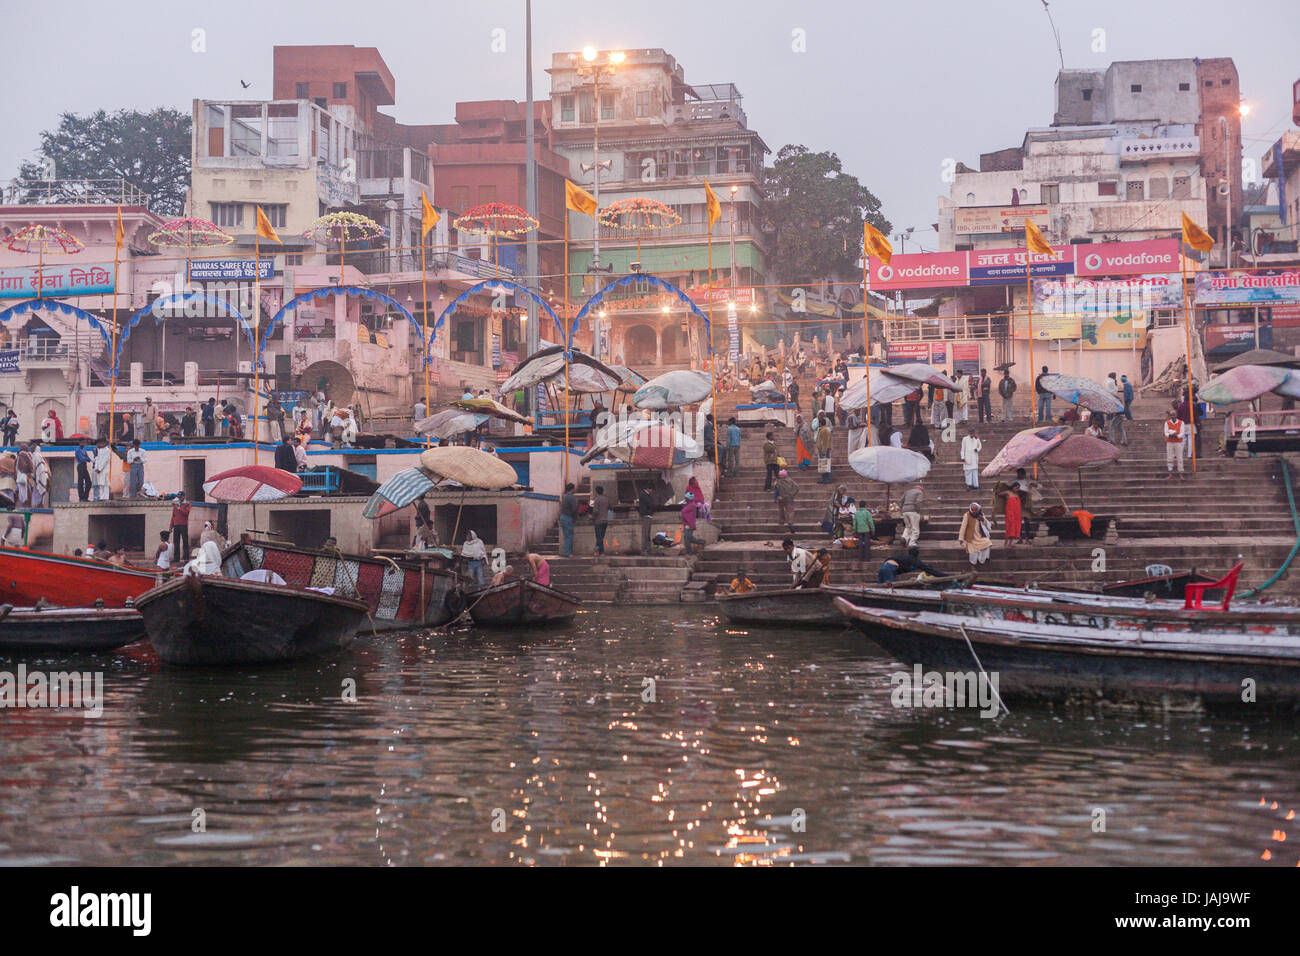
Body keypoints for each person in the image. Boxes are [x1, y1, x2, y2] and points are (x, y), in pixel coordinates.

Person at [958, 502, 993, 566]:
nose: (974, 512)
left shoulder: (981, 514)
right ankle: (973, 565)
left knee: (988, 543)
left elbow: (987, 525)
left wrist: (982, 519)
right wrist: (961, 538)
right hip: (971, 538)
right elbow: (963, 527)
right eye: (972, 510)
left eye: (975, 510)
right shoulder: (967, 515)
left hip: (980, 536)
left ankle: (982, 560)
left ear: (978, 509)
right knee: (973, 552)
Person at [994, 481, 1023, 547]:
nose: (1017, 489)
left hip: (1017, 513)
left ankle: (1010, 543)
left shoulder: (1017, 494)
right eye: (1016, 487)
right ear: (1013, 487)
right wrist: (997, 488)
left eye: (1018, 488)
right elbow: (998, 494)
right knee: (1009, 527)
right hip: (1010, 512)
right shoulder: (1008, 492)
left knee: (1015, 527)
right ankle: (1006, 543)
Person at [1164, 406, 1186, 480]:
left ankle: (1181, 473)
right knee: (1169, 458)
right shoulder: (1167, 423)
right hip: (1170, 442)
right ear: (1170, 416)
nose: (1173, 416)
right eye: (1171, 415)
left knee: (1180, 458)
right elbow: (1166, 432)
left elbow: (1182, 433)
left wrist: (1177, 436)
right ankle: (1170, 473)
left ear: (1176, 415)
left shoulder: (1181, 422)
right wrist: (1170, 435)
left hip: (1178, 442)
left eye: (1174, 415)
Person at [590, 484, 612, 556]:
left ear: (596, 492)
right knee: (601, 537)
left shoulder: (597, 500)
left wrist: (592, 517)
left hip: (598, 521)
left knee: (599, 537)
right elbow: (610, 508)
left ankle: (601, 552)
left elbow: (595, 511)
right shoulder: (606, 499)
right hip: (605, 521)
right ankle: (597, 551)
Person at [170, 492, 192, 563]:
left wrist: (179, 508)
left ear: (184, 496)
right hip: (176, 525)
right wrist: (171, 527)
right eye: (178, 497)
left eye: (180, 497)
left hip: (183, 525)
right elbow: (173, 516)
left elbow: (187, 513)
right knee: (176, 542)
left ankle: (186, 557)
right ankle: (176, 558)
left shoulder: (187, 504)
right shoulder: (176, 505)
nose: (179, 498)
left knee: (185, 541)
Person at [900, 483, 924, 548]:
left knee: (908, 526)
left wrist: (902, 509)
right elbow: (918, 502)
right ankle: (912, 543)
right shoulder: (920, 492)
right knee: (915, 528)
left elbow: (901, 501)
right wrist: (918, 510)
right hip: (913, 511)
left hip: (904, 510)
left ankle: (904, 537)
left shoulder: (907, 492)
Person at [559, 482, 579, 557]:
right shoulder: (571, 498)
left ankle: (567, 552)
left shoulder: (564, 497)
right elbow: (574, 509)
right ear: (572, 489)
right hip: (568, 518)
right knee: (569, 536)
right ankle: (568, 553)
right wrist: (575, 517)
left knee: (566, 536)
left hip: (563, 517)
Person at [852, 499, 875, 565]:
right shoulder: (867, 512)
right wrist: (873, 529)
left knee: (860, 545)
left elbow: (854, 523)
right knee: (867, 544)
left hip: (859, 530)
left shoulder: (856, 513)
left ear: (859, 506)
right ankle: (867, 558)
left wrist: (854, 530)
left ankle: (860, 558)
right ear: (865, 505)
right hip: (866, 530)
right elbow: (870, 522)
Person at [637, 486, 657, 554]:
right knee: (645, 534)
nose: (651, 491)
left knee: (647, 534)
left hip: (648, 515)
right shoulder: (644, 495)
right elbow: (650, 504)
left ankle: (648, 549)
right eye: (651, 489)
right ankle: (644, 550)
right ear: (648, 488)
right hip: (646, 515)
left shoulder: (646, 495)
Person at [815, 413, 833, 483]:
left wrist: (823, 451)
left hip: (824, 450)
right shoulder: (824, 429)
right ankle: (825, 479)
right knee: (825, 464)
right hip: (824, 450)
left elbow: (825, 442)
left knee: (825, 464)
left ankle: (826, 479)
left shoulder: (824, 430)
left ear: (820, 423)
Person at [680, 491, 699, 555]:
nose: (685, 499)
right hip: (687, 524)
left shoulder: (692, 505)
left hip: (689, 524)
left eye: (686, 498)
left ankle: (689, 552)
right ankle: (701, 542)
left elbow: (684, 511)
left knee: (687, 539)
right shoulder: (689, 504)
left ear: (689, 498)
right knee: (688, 538)